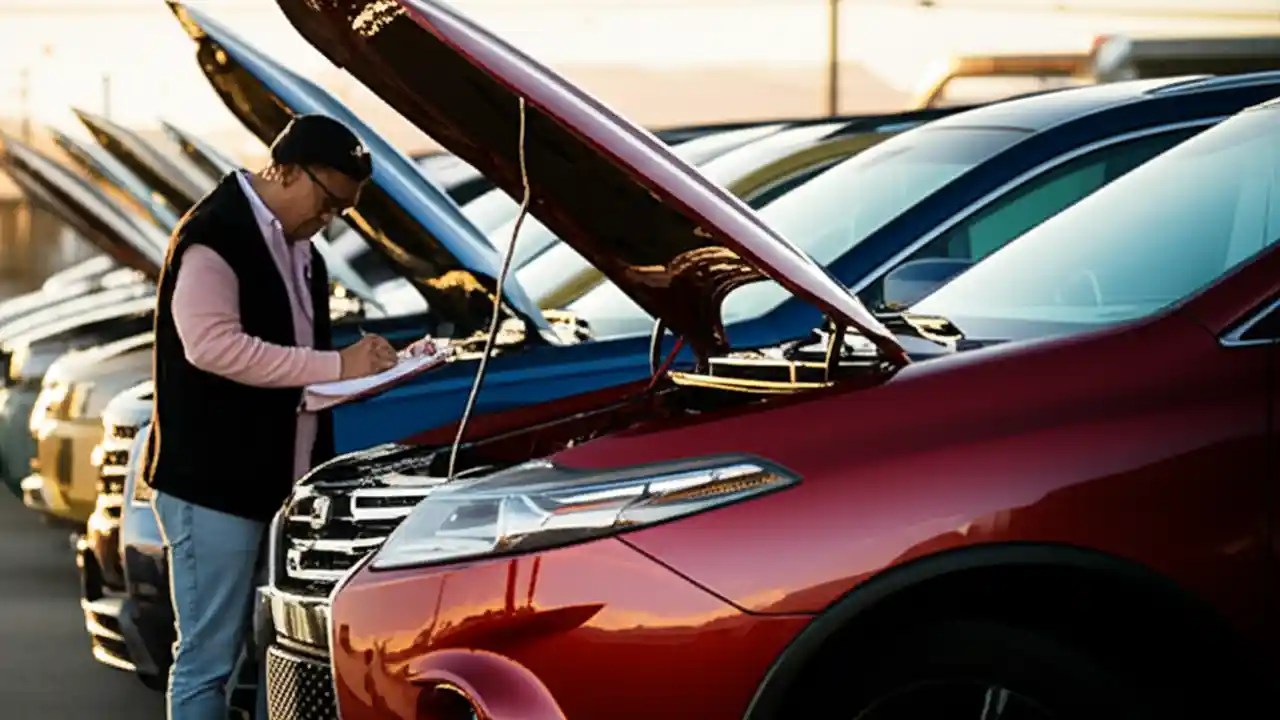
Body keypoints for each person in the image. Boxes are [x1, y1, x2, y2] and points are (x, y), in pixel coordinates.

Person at [143, 114, 396, 720]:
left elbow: (297, 376)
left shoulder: (303, 252)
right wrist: (338, 365)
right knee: (209, 661)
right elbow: (213, 347)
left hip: (283, 487)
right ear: (282, 170)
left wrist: (380, 370)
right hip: (214, 487)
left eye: (343, 209)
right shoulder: (214, 235)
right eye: (328, 200)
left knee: (277, 660)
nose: (328, 218)